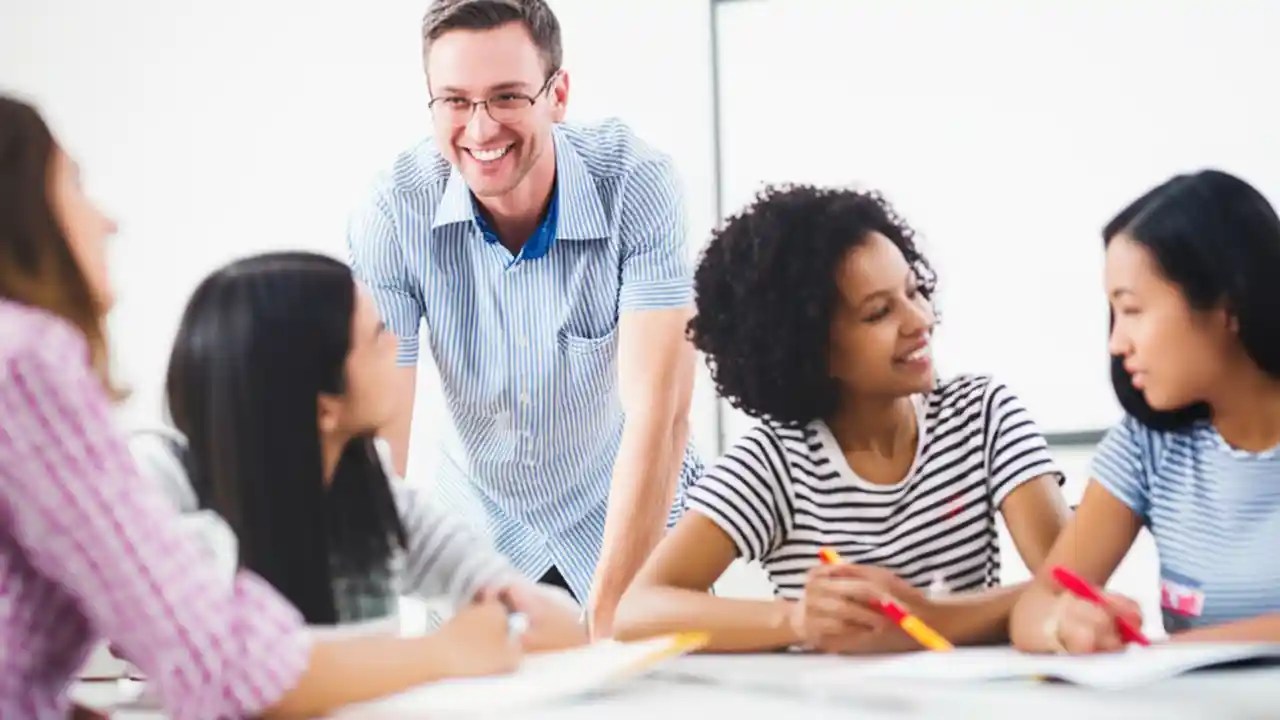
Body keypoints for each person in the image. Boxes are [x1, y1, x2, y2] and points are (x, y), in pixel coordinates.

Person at [0, 95, 527, 720]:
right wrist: (448, 652)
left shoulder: (371, 488)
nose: (106, 221)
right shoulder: (25, 358)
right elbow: (216, 664)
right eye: (74, 187)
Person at [347, 0, 699, 635]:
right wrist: (365, 630)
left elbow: (661, 416)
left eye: (507, 97)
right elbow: (378, 431)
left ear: (557, 94)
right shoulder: (394, 209)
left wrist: (612, 615)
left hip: (624, 510)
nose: (481, 130)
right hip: (480, 533)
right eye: (455, 100)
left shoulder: (637, 183)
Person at [615, 185, 1070, 652]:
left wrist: (931, 620)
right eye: (878, 313)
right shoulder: (775, 461)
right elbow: (637, 611)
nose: (919, 321)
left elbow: (1073, 586)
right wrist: (798, 620)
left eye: (914, 291)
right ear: (811, 348)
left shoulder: (982, 415)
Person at [128, 251, 584, 648]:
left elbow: (549, 618)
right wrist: (442, 654)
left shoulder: (367, 487)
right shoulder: (164, 488)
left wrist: (506, 612)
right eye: (378, 335)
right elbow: (242, 667)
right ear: (324, 407)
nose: (399, 345)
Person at [1010, 170, 1280, 653]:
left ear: (1227, 305)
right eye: (1113, 315)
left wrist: (1165, 652)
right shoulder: (1146, 445)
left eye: (1132, 310)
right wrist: (1066, 626)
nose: (1117, 342)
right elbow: (1036, 606)